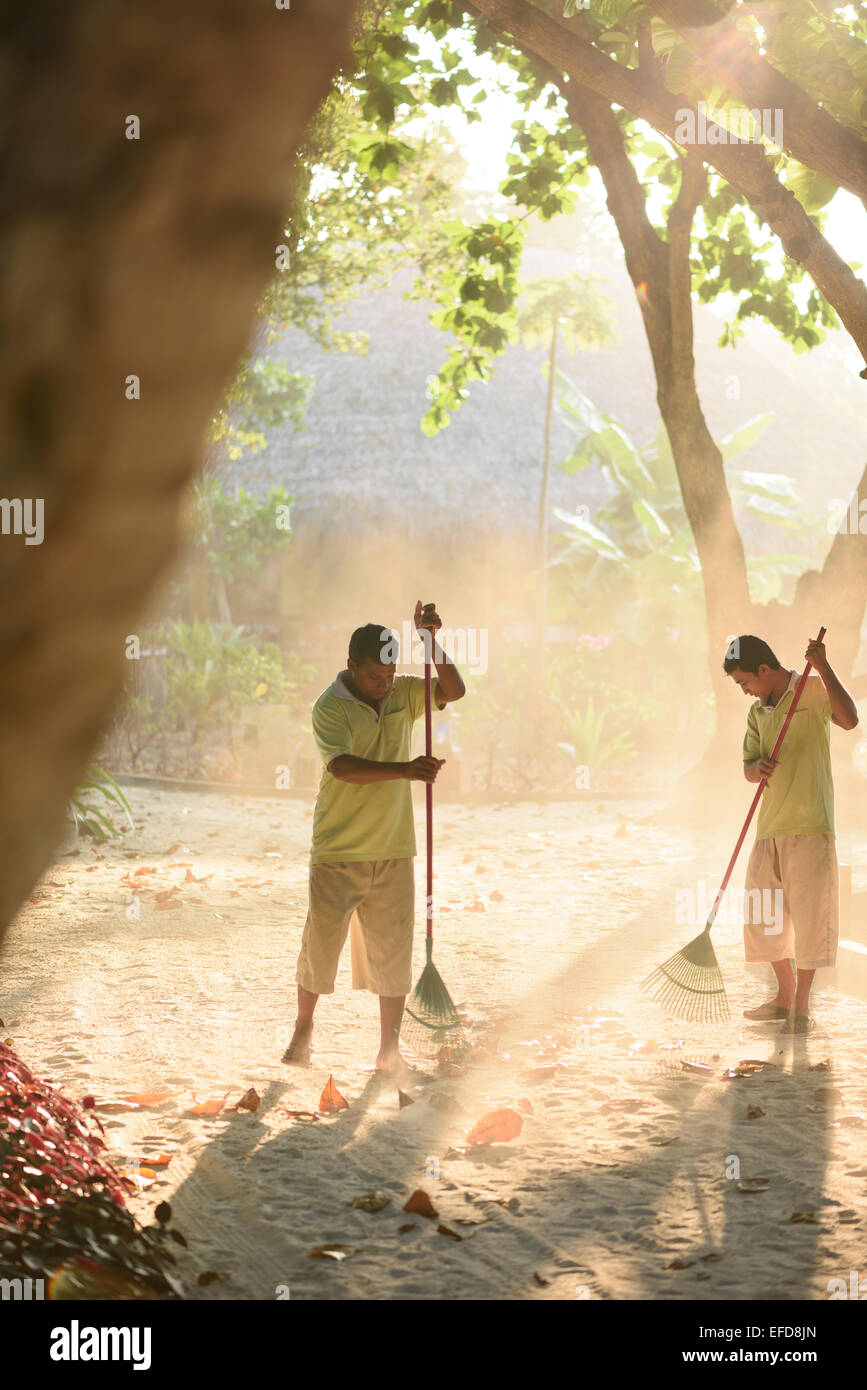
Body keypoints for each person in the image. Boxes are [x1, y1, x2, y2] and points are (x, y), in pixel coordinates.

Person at [283, 601, 466, 1072]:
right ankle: (304, 1029)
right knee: (321, 948)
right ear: (351, 668)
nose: (384, 685)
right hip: (337, 848)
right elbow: (342, 768)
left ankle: (390, 1049)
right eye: (373, 677)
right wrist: (406, 770)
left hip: (394, 847)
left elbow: (454, 689)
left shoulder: (404, 694)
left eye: (389, 676)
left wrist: (429, 641)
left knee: (393, 951)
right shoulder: (329, 707)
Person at [723, 633, 859, 1033]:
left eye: (745, 681)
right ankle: (785, 993)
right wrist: (757, 769)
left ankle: (802, 1006)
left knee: (811, 919)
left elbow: (850, 720)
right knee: (763, 916)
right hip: (770, 828)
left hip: (812, 827)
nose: (745, 690)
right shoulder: (758, 713)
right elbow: (748, 766)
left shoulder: (813, 690)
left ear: (764, 670)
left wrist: (827, 665)